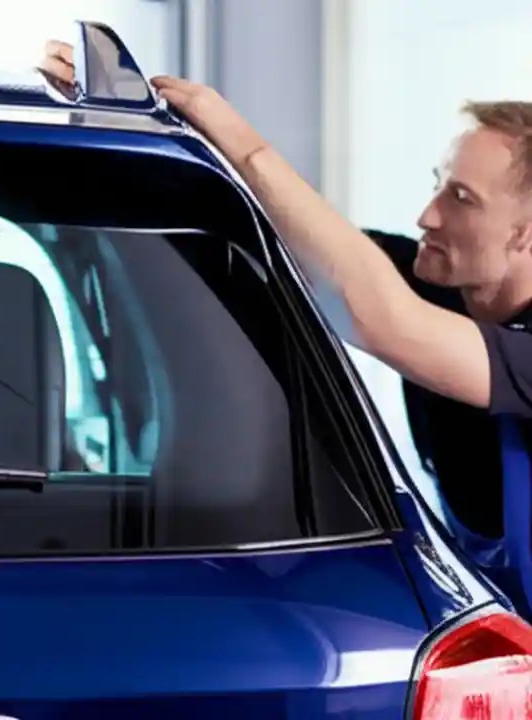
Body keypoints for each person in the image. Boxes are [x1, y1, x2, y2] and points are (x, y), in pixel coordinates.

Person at [40, 41, 532, 551]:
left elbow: (385, 320)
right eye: (439, 185)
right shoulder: (435, 280)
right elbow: (285, 238)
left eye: (462, 199)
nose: (427, 216)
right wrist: (129, 123)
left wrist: (241, 141)